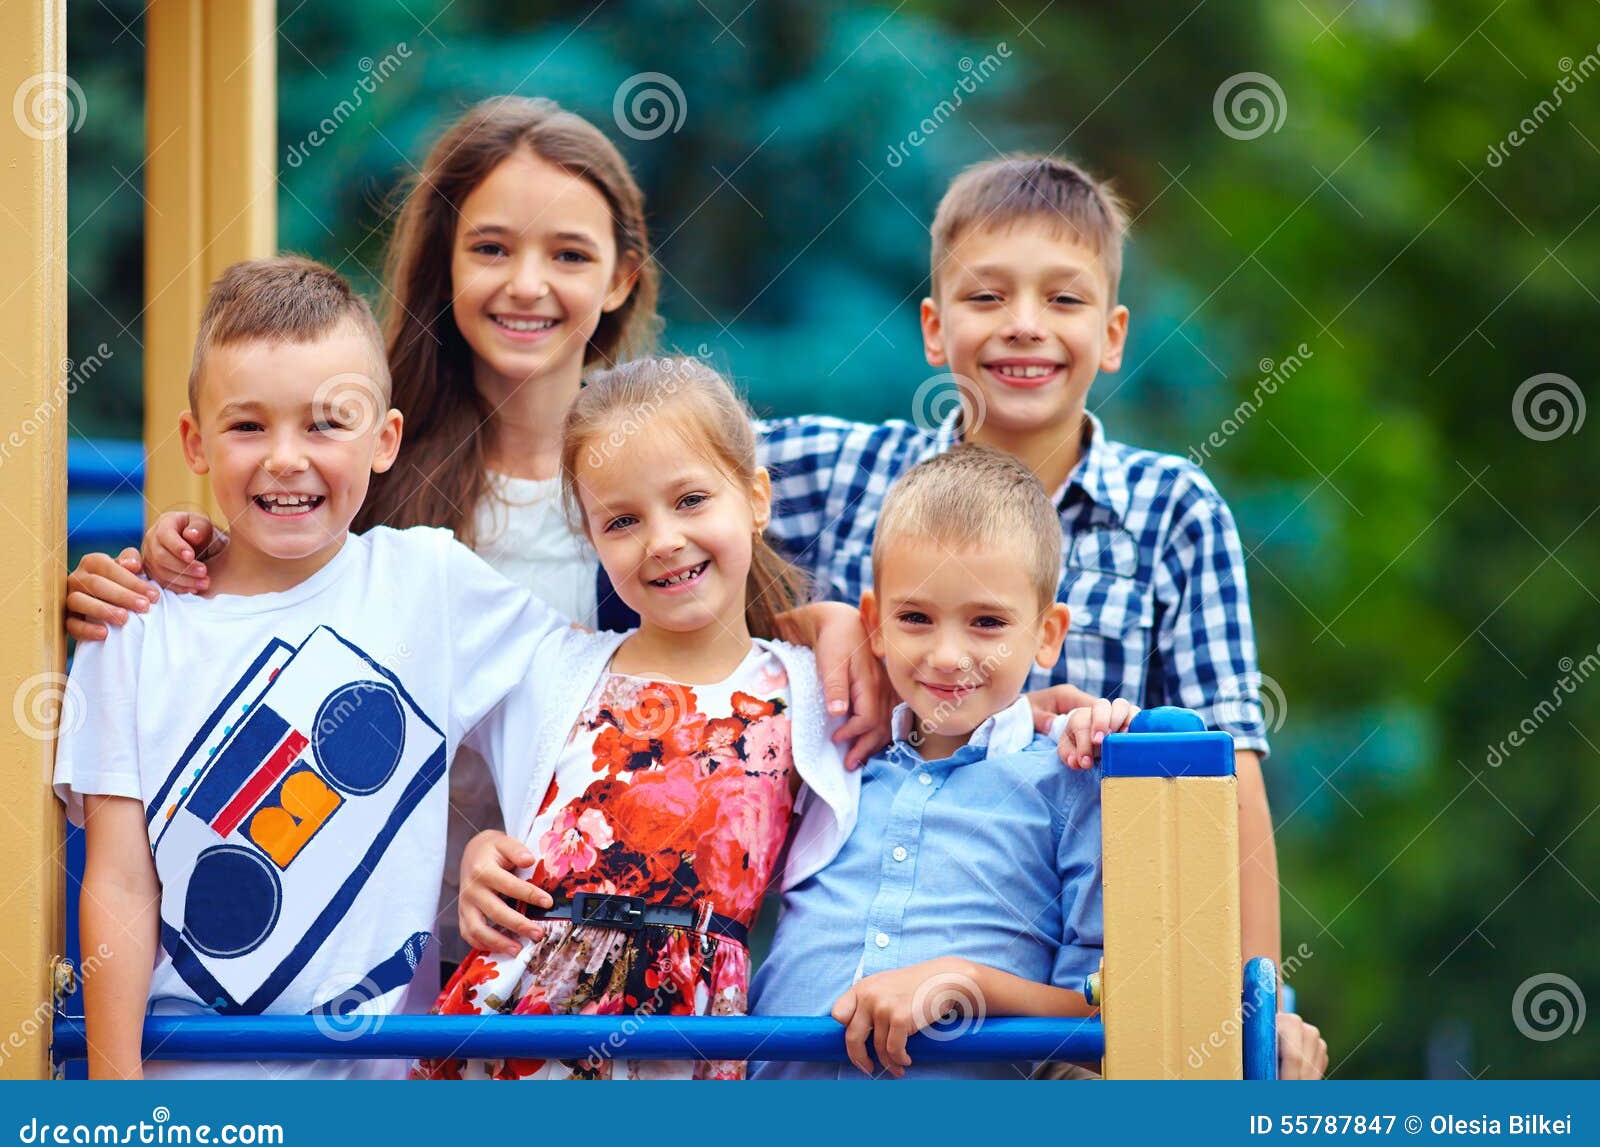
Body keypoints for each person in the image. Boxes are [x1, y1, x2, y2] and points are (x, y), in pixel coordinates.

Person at [61, 96, 887, 971]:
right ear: (442, 266)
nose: (526, 284)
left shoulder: (672, 477)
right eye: (490, 248)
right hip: (370, 959)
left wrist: (818, 622)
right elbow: (271, 597)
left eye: (567, 254)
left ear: (619, 278)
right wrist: (170, 561)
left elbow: (722, 650)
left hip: (589, 961)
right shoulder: (364, 471)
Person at [757, 154, 1286, 976]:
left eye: (1064, 298)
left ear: (1112, 336)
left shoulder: (1172, 510)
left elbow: (1231, 775)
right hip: (843, 973)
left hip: (1082, 998)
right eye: (986, 296)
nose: (1025, 324)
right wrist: (811, 621)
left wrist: (1261, 1011)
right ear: (936, 328)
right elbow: (661, 508)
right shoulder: (845, 479)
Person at [55, 256, 570, 1079]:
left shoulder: (430, 583)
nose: (286, 458)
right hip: (200, 1084)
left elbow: (597, 689)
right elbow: (118, 883)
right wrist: (117, 1104)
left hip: (388, 1092)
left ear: (384, 440)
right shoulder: (133, 627)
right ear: (196, 442)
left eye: (327, 423)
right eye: (248, 426)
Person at [411, 356, 856, 1081]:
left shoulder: (814, 690)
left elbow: (949, 728)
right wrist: (478, 856)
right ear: (590, 539)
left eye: (690, 501)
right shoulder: (550, 665)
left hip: (683, 1047)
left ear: (756, 498)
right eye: (623, 520)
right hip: (513, 1029)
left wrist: (1048, 714)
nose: (662, 540)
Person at [748, 444, 1117, 1079]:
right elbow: (713, 650)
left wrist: (965, 982)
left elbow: (1106, 1019)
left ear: (1048, 634)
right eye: (915, 617)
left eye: (987, 622)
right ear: (875, 625)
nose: (947, 655)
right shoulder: (831, 752)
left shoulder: (1072, 779)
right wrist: (820, 621)